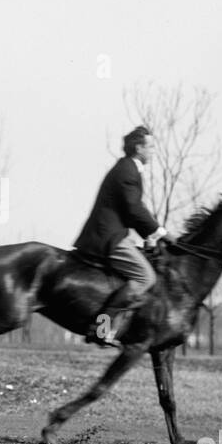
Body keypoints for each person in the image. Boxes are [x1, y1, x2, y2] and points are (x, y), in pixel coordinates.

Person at [72, 126, 168, 347]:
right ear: (138, 147)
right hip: (108, 238)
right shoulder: (127, 171)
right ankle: (100, 328)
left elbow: (131, 211)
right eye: (151, 146)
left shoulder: (128, 169)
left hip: (114, 233)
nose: (154, 151)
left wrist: (150, 236)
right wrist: (160, 232)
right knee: (146, 277)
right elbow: (134, 209)